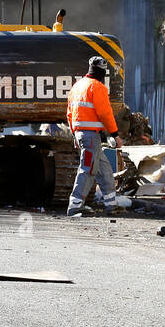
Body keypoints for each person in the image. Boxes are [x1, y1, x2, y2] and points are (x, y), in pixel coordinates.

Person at [66, 56, 123, 217]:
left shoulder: (78, 86)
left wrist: (75, 135)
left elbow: (70, 114)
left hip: (82, 135)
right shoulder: (97, 87)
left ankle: (111, 205)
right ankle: (75, 205)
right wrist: (115, 134)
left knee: (104, 169)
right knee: (88, 169)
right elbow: (105, 113)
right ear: (102, 71)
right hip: (91, 137)